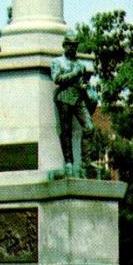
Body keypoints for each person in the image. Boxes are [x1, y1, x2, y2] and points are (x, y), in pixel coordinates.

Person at [50, 33, 97, 171]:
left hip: (78, 98)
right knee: (66, 130)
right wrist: (74, 74)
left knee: (89, 127)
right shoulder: (57, 62)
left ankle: (85, 161)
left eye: (75, 45)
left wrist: (85, 88)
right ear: (64, 46)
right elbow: (57, 79)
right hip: (64, 97)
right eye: (70, 45)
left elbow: (83, 82)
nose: (72, 48)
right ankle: (69, 161)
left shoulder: (80, 65)